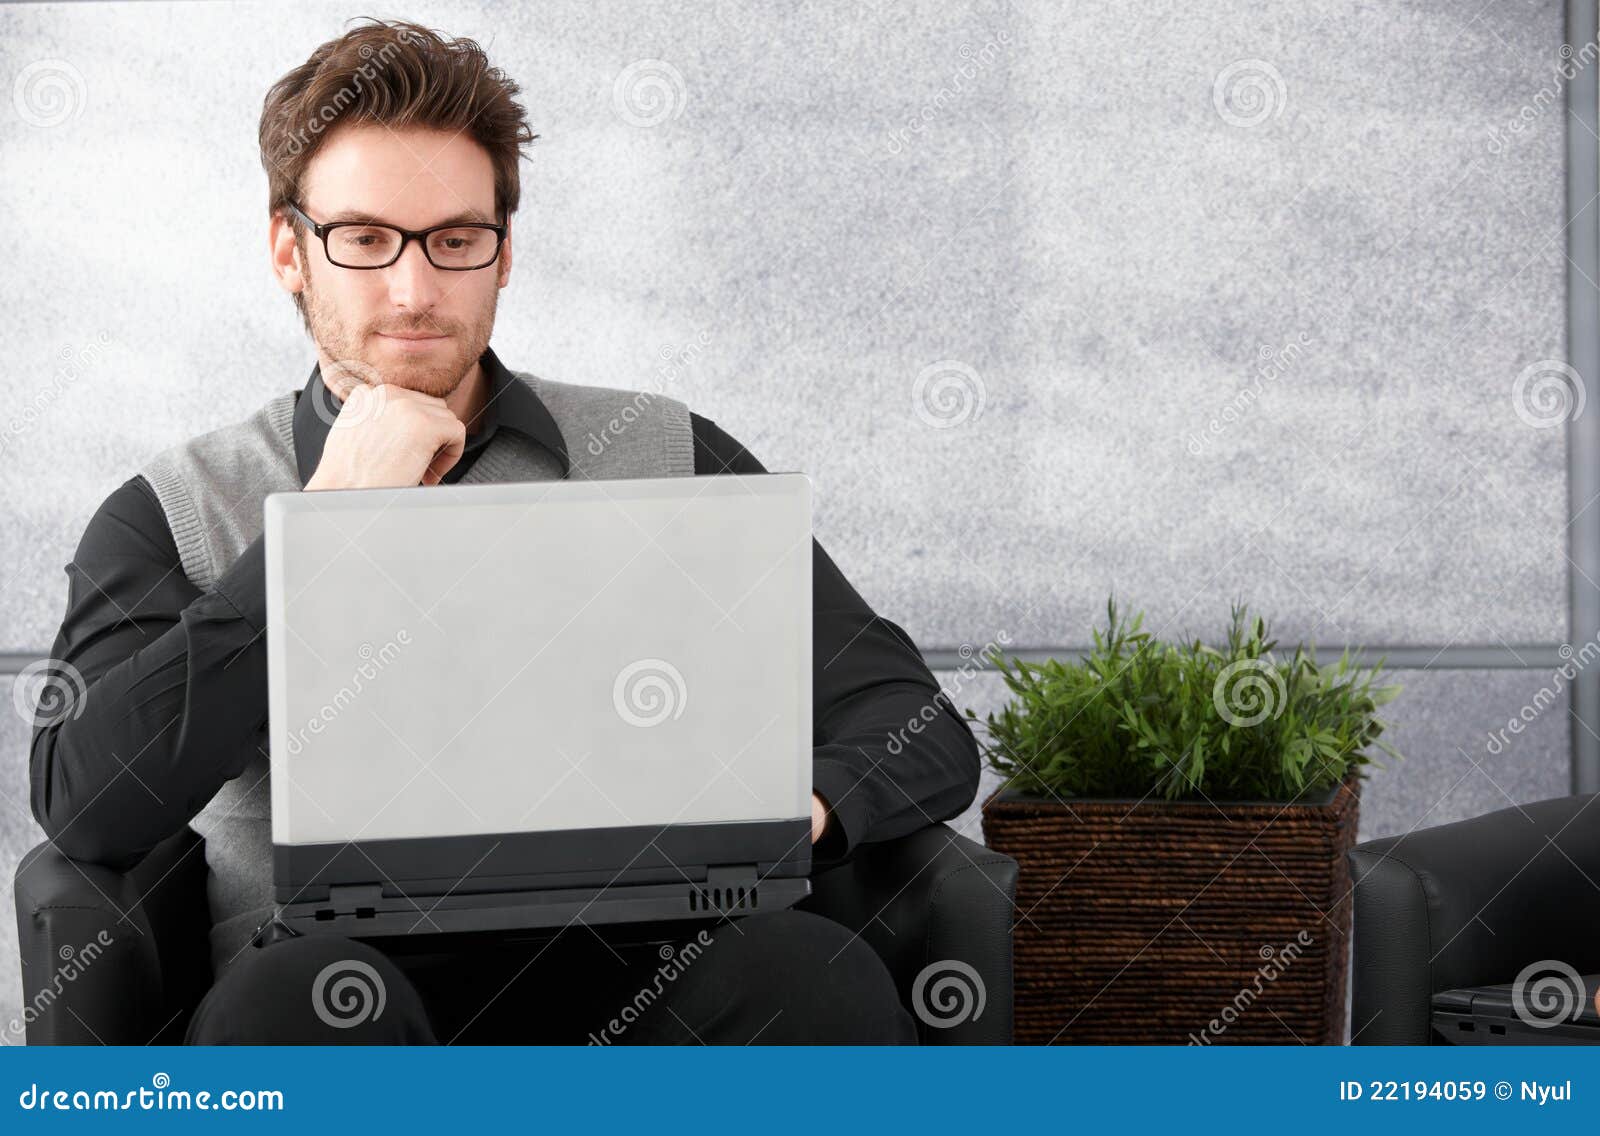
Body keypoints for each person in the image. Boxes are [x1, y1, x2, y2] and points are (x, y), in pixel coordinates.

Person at [28, 18, 979, 1044]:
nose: (414, 290)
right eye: (364, 240)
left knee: (810, 971)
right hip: (331, 989)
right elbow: (86, 802)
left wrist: (805, 807)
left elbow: (914, 722)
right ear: (289, 251)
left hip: (653, 976)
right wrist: (325, 524)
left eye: (454, 240)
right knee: (293, 1010)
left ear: (504, 251)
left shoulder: (666, 452)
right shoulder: (180, 506)